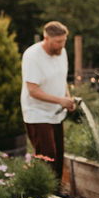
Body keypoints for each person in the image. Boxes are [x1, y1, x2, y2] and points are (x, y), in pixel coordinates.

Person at [21, 21, 76, 181]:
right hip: (37, 113)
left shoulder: (62, 52)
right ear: (46, 38)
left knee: (58, 154)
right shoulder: (32, 56)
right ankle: (44, 193)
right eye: (58, 42)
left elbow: (61, 78)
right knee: (47, 156)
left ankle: (56, 191)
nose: (62, 45)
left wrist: (67, 98)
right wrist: (60, 101)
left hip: (56, 112)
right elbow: (33, 90)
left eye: (64, 40)